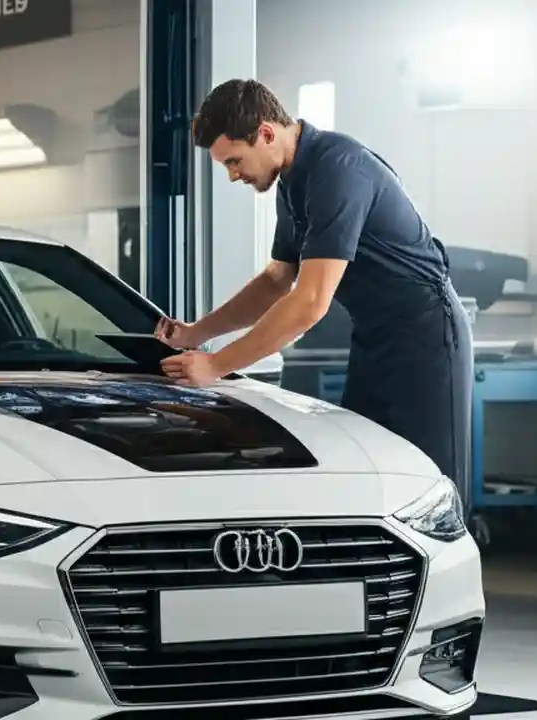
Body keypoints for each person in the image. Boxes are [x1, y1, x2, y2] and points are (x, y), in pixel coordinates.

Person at [156, 78, 473, 509]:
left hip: (428, 335)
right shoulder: (292, 180)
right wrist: (197, 333)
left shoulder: (338, 169)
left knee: (431, 488)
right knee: (371, 476)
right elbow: (275, 281)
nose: (232, 175)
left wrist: (216, 365)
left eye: (234, 161)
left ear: (266, 134)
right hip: (374, 337)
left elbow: (309, 302)